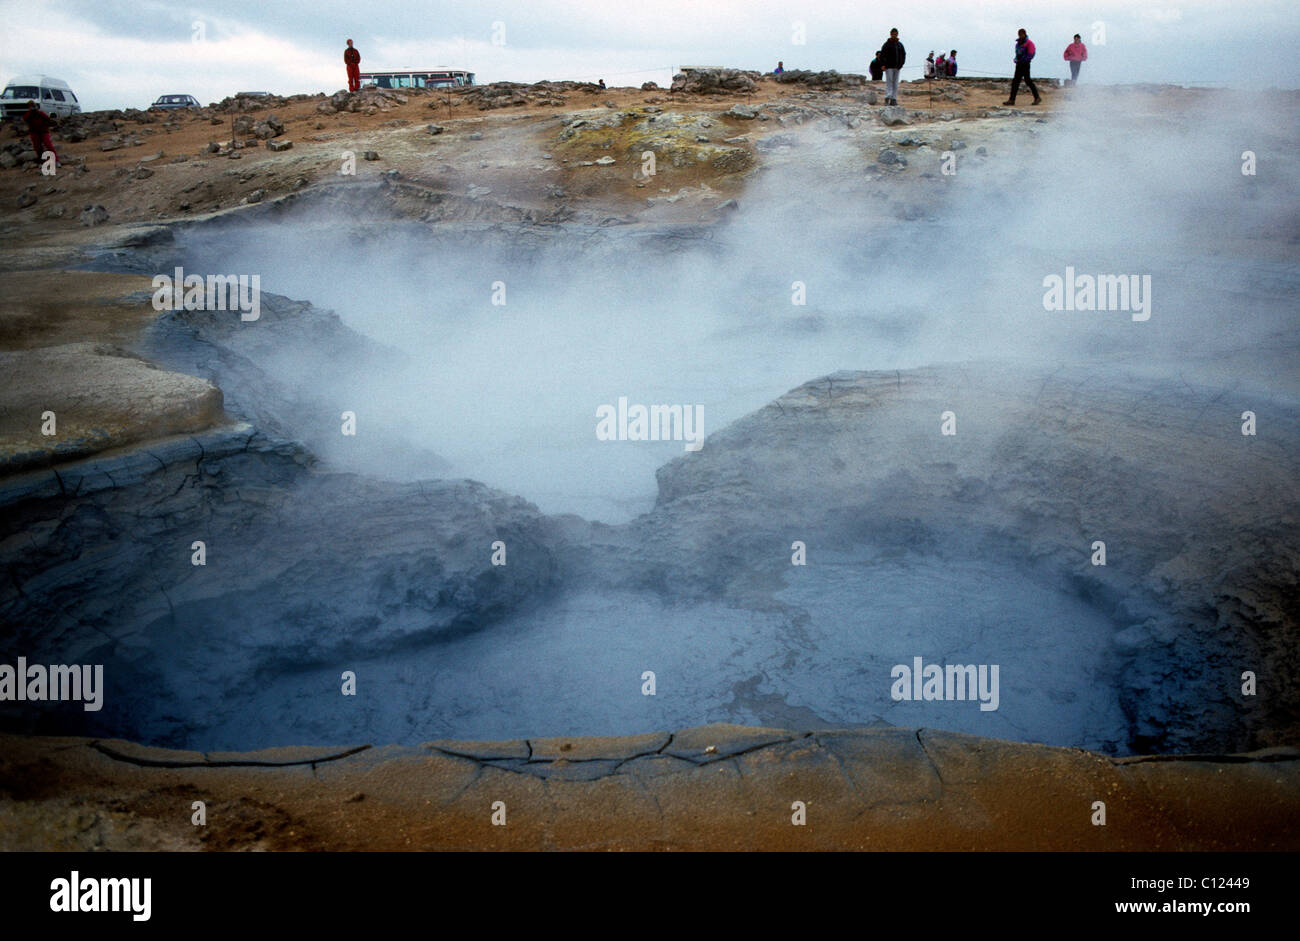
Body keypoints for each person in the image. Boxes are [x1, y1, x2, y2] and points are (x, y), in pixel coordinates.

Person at [1004, 28, 1041, 105]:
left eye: (1021, 34)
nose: (1020, 36)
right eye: (1019, 34)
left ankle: (1037, 98)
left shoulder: (1029, 43)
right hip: (1019, 64)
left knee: (1028, 81)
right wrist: (1016, 60)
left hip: (1025, 64)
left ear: (1025, 34)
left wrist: (1025, 60)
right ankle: (1012, 100)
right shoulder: (1018, 44)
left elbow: (1031, 54)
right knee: (1015, 82)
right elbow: (1017, 54)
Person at [23, 100, 57, 166]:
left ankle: (56, 160)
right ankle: (42, 161)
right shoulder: (28, 115)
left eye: (33, 106)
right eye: (31, 106)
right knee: (38, 147)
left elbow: (47, 119)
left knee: (48, 145)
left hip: (43, 131)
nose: (32, 108)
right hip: (34, 132)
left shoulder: (40, 113)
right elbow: (25, 119)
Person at [879, 28, 906, 106]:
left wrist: (901, 64)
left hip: (897, 67)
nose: (894, 35)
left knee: (895, 83)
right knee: (889, 82)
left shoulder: (900, 45)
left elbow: (903, 54)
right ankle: (888, 97)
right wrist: (883, 65)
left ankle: (894, 99)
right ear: (891, 34)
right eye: (893, 34)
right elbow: (882, 55)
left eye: (896, 34)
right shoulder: (887, 44)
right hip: (889, 67)